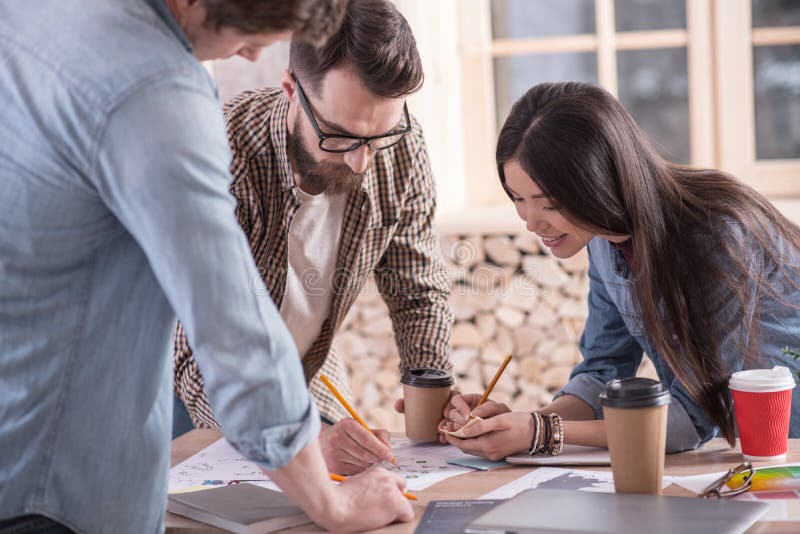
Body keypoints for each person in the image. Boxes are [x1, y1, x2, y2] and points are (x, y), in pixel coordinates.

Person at [0, 1, 414, 532]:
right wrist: (333, 504)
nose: (253, 52)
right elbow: (231, 327)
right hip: (53, 494)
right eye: (248, 33)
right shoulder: (158, 93)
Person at [441, 81, 800, 461]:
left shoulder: (717, 235)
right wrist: (523, 426)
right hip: (752, 457)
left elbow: (694, 420)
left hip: (789, 450)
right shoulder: (600, 237)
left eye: (548, 204)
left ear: (600, 182)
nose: (531, 222)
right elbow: (602, 371)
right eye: (518, 199)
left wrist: (541, 433)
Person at [172, 0, 454, 476]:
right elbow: (200, 347)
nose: (362, 162)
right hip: (183, 385)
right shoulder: (221, 153)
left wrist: (434, 398)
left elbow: (417, 288)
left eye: (379, 137)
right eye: (341, 138)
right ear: (290, 90)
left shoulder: (399, 147)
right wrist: (296, 442)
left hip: (303, 370)